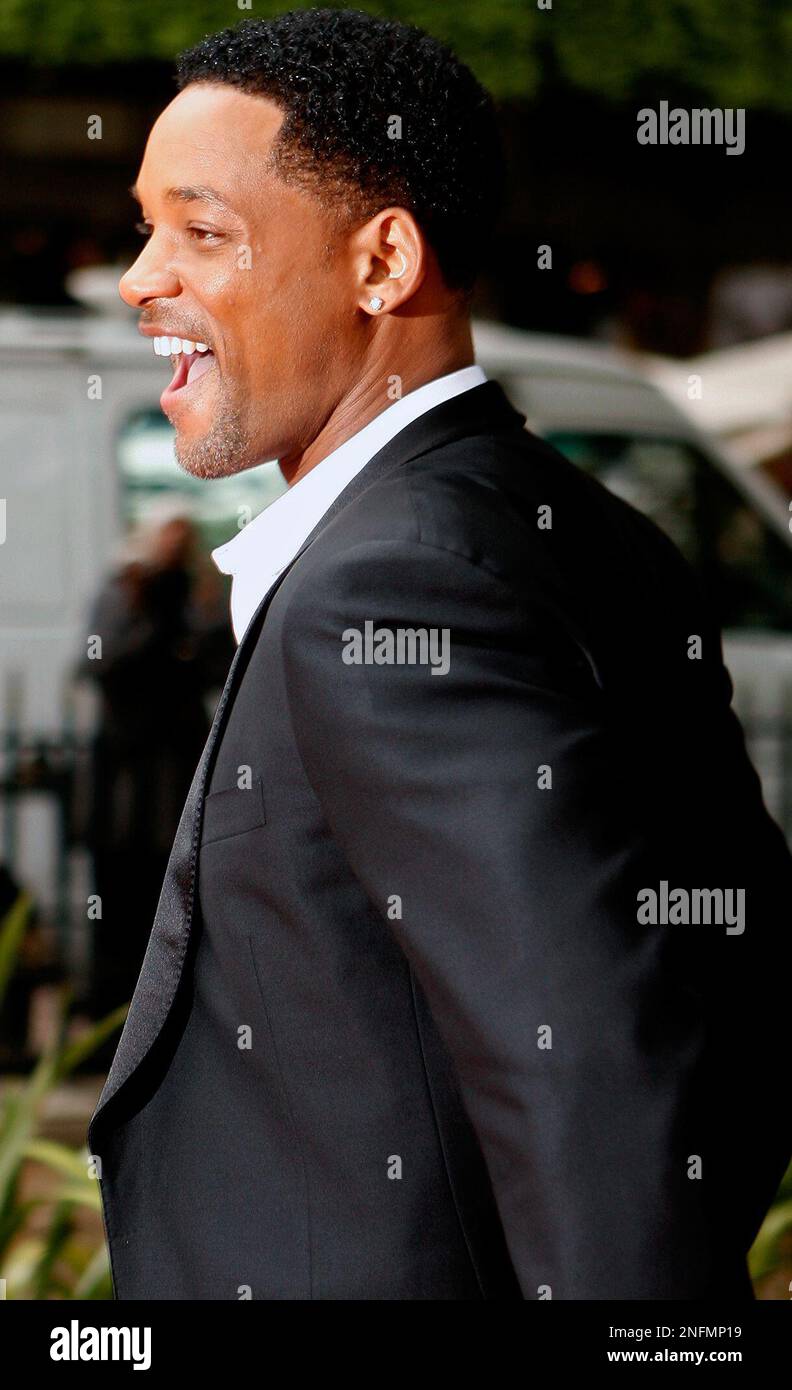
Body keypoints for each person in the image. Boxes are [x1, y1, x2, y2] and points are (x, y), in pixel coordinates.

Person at [87, 9, 792, 1300]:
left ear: (382, 260)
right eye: (146, 227)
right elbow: (738, 991)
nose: (140, 277)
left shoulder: (385, 583)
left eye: (200, 231)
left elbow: (597, 1080)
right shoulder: (593, 527)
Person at [78, 504, 233, 1021]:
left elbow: (217, 661)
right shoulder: (126, 589)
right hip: (129, 773)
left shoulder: (195, 591)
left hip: (175, 766)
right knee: (122, 892)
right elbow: (98, 661)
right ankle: (115, 1005)